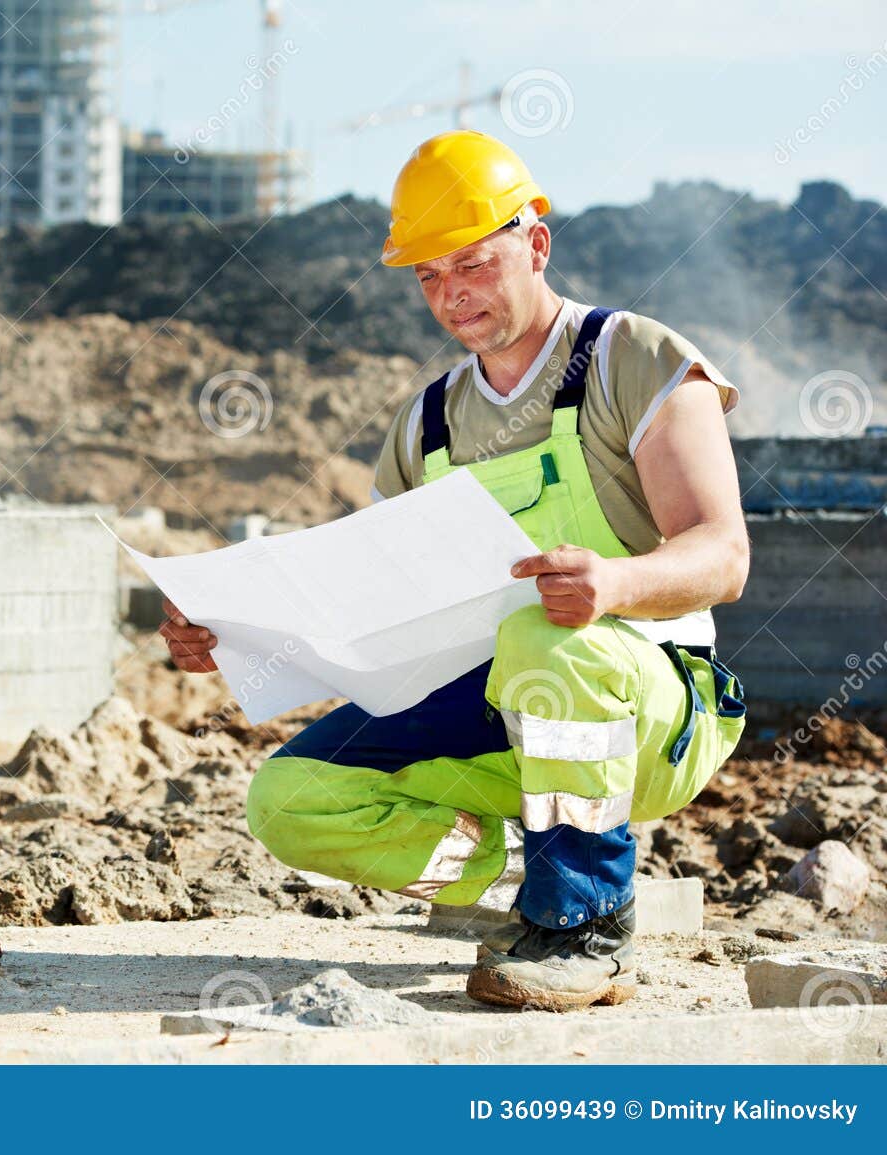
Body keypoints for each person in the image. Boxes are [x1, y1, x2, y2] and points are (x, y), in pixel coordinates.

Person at [159, 130, 749, 1011]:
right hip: (498, 714)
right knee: (291, 799)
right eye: (430, 276)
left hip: (649, 704)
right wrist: (232, 634)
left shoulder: (634, 359)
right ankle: (544, 869)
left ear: (536, 244)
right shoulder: (427, 424)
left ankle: (585, 924)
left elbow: (724, 554)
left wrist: (614, 585)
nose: (451, 295)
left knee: (545, 633)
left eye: (472, 263)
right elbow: (368, 601)